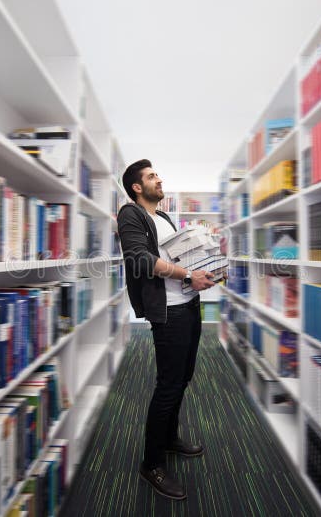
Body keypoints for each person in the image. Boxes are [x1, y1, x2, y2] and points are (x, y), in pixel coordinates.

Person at [117, 159, 216, 501]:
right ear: (137, 187)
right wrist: (187, 275)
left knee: (184, 377)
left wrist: (206, 270)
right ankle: (151, 463)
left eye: (157, 175)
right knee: (168, 384)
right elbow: (139, 258)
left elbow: (177, 257)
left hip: (189, 305)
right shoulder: (131, 214)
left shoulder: (164, 218)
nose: (159, 180)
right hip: (169, 313)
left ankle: (170, 438)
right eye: (151, 177)